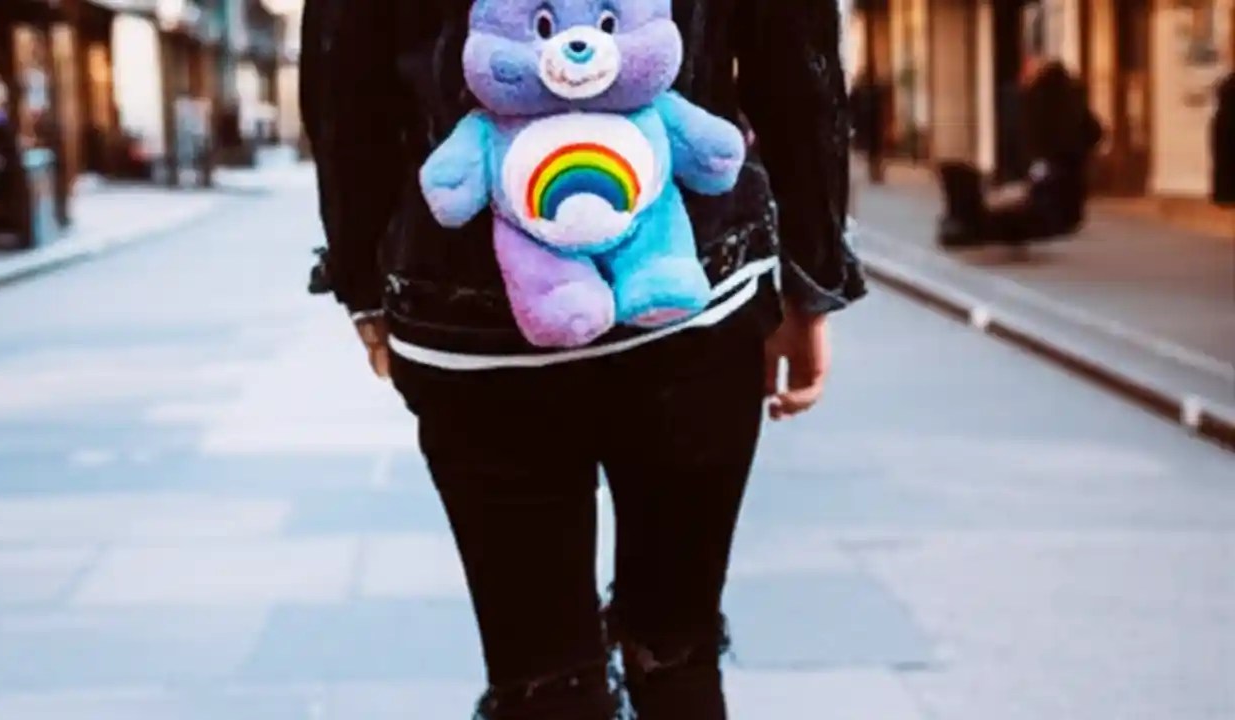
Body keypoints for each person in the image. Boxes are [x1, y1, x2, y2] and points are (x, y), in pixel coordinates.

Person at [299, 1, 865, 718]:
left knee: (542, 681)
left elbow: (343, 70)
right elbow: (794, 51)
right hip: (694, 292)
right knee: (676, 654)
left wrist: (360, 279)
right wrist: (811, 275)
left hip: (469, 324)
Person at [938, 60, 1103, 248]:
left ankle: (969, 226)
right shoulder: (1065, 107)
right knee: (1011, 204)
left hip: (1049, 183)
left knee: (1009, 208)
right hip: (1055, 181)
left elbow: (1028, 143)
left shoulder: (1036, 104)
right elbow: (1092, 134)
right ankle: (971, 223)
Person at [1213, 71, 1235, 207]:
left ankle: (1225, 196)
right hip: (1228, 127)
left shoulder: (1227, 82)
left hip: (1223, 126)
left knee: (1224, 162)